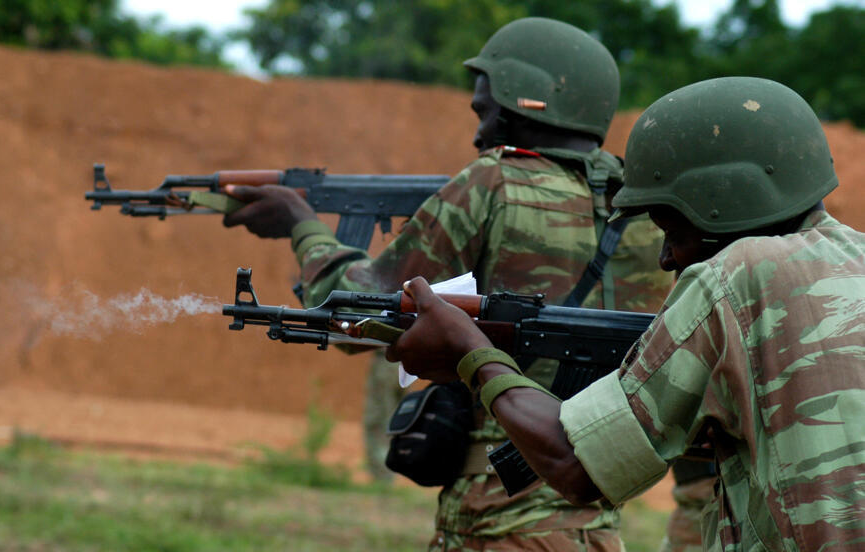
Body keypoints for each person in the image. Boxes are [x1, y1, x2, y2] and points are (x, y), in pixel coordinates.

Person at [222, 17, 673, 551]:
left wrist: (301, 224)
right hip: (593, 523)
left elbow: (357, 312)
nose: (479, 133)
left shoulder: (493, 181)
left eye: (485, 111)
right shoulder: (645, 210)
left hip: (497, 521)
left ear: (521, 104)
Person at [386, 76, 865, 550]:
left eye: (669, 228)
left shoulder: (730, 277)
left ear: (721, 201)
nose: (665, 258)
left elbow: (575, 465)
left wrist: (471, 349)